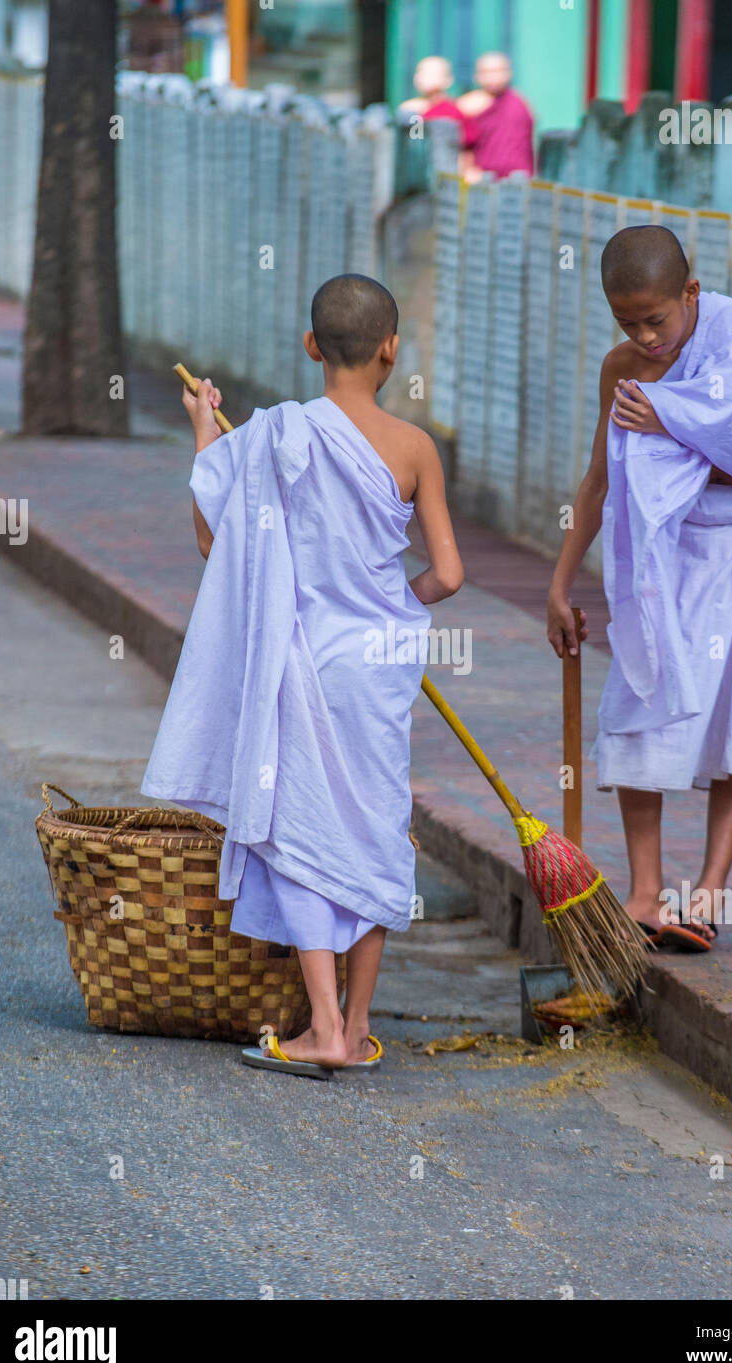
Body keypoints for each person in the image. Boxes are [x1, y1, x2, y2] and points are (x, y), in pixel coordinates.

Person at [142, 274, 464, 1076]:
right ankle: (355, 1027)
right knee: (374, 822)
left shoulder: (274, 434)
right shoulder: (415, 447)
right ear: (392, 349)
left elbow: (218, 545)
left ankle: (320, 1024)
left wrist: (204, 433)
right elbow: (449, 575)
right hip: (378, 664)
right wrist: (393, 604)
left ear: (313, 346)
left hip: (301, 657)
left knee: (297, 827)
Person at [546, 226, 732, 952]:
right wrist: (558, 582)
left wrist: (670, 413)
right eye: (627, 322)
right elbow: (599, 478)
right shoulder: (622, 371)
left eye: (657, 319)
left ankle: (705, 896)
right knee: (642, 702)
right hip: (668, 552)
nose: (646, 336)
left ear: (691, 294)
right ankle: (646, 892)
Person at [457, 51, 534, 181]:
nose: (493, 77)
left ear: (509, 73)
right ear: (476, 76)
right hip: (482, 181)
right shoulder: (469, 105)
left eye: (498, 71)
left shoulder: (519, 104)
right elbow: (464, 146)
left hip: (518, 180)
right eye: (487, 72)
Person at [398, 54, 465, 129]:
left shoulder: (451, 111)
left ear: (448, 80)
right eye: (419, 72)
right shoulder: (409, 108)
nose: (421, 77)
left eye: (430, 73)